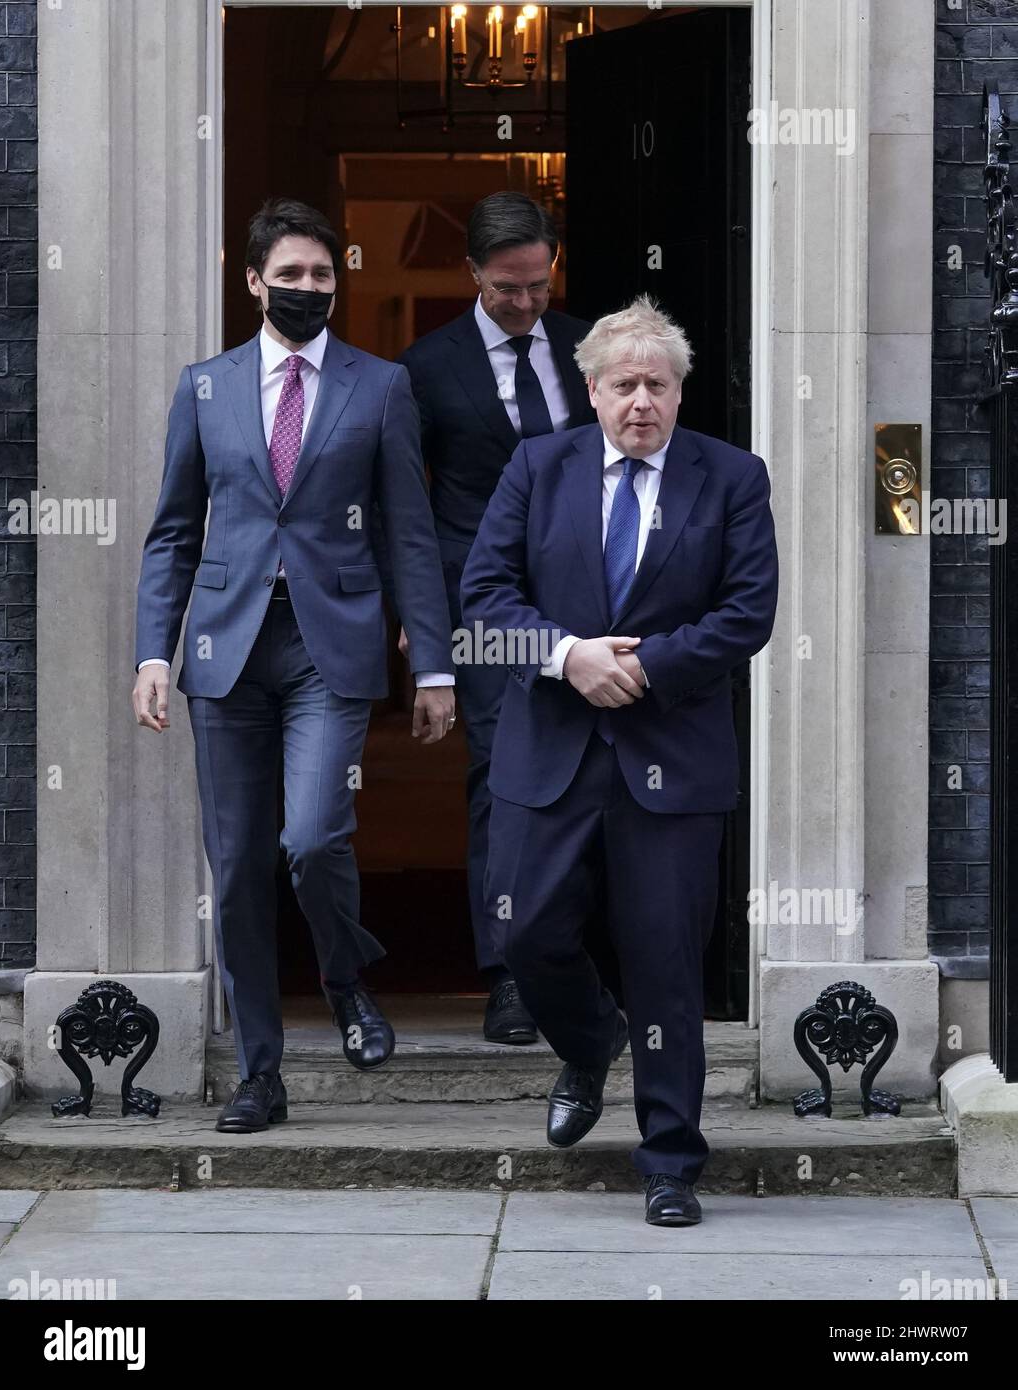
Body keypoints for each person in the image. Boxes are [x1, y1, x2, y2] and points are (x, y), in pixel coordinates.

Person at [132, 198, 455, 1133]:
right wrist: (154, 650)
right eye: (292, 276)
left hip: (331, 646)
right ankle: (261, 1074)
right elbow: (170, 535)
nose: (309, 289)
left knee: (311, 838)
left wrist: (431, 664)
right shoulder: (204, 388)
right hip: (223, 652)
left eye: (323, 276)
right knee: (235, 869)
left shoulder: (381, 386)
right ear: (253, 282)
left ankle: (346, 974)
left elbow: (410, 533)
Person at [460, 294, 778, 1224]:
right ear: (590, 391)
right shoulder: (536, 468)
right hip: (550, 748)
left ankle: (671, 1160)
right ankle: (590, 1037)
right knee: (526, 932)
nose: (642, 401)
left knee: (665, 957)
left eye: (659, 384)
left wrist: (644, 671)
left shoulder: (732, 478)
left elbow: (747, 613)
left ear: (681, 394)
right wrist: (571, 658)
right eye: (623, 384)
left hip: (671, 756)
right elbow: (484, 596)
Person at [397, 192, 596, 1043]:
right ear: (473, 273)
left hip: (585, 598)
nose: (524, 304)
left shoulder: (589, 348)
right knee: (500, 782)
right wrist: (421, 625)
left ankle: (582, 965)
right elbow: (411, 509)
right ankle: (509, 973)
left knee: (590, 779)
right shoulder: (426, 367)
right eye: (506, 288)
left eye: (538, 285)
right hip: (481, 604)